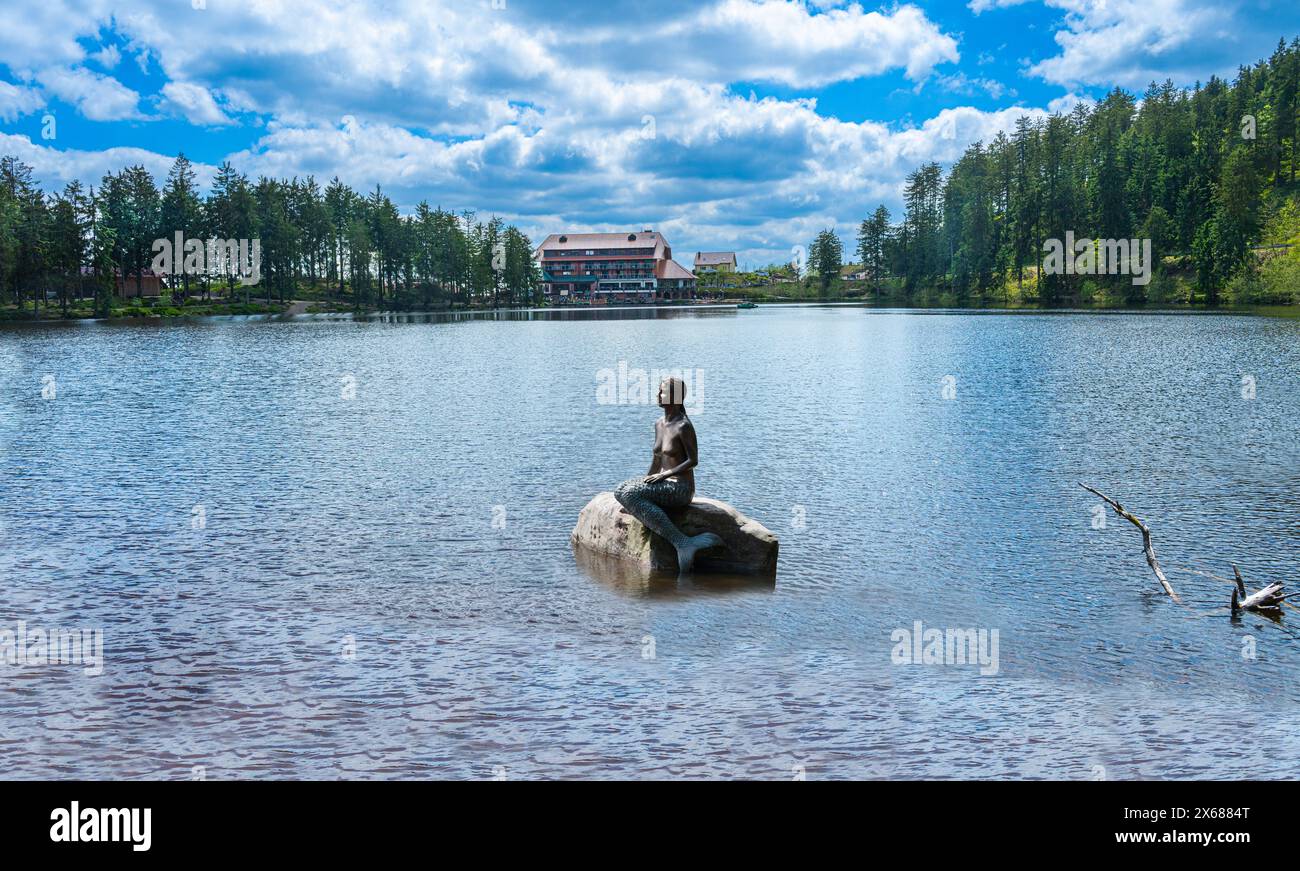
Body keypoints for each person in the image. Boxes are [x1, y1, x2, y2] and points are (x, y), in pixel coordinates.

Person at [613, 377, 723, 574]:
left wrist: (665, 476)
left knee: (630, 493)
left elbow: (693, 460)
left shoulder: (684, 426)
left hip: (680, 488)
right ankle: (641, 507)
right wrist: (644, 483)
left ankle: (682, 543)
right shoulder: (659, 424)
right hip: (662, 483)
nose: (657, 395)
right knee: (621, 490)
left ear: (674, 397)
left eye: (661, 391)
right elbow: (656, 460)